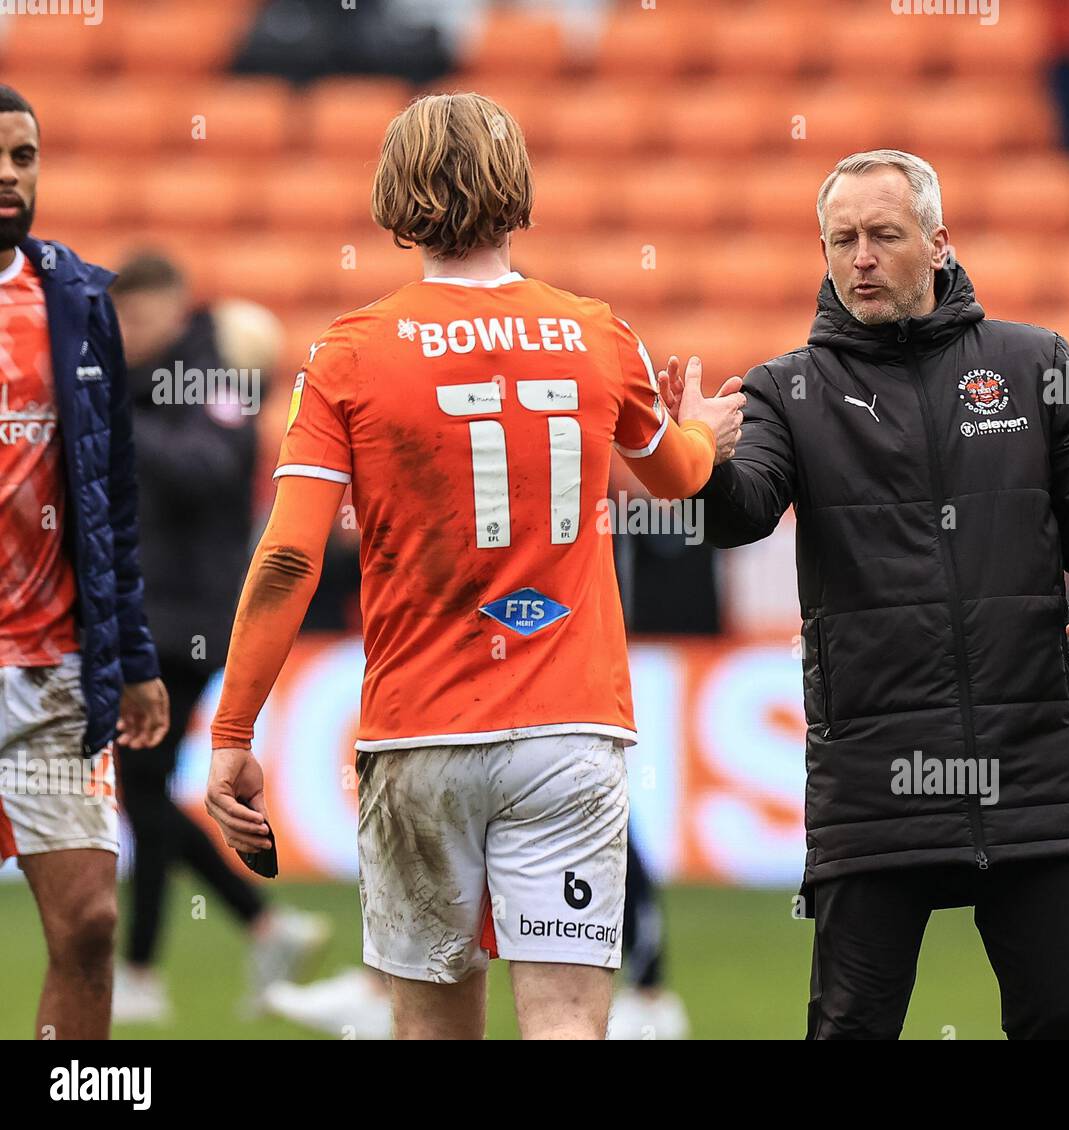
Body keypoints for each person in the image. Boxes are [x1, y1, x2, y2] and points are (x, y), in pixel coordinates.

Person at [203, 92, 744, 1040]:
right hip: (567, 727)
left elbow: (289, 557)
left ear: (392, 192)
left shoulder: (351, 353)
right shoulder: (592, 332)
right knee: (570, 1025)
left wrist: (233, 731)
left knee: (431, 1032)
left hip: (419, 732)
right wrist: (706, 426)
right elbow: (681, 478)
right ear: (518, 188)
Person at [662, 149, 1069, 1040]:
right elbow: (740, 515)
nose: (860, 256)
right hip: (874, 781)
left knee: (1055, 1022)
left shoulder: (1033, 360)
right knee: (851, 1028)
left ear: (937, 243)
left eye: (883, 235)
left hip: (1033, 769)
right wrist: (697, 458)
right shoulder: (790, 388)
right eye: (841, 239)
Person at [108, 255, 329, 1023]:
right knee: (143, 789)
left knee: (139, 786)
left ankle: (148, 969)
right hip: (148, 613)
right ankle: (260, 926)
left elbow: (211, 467)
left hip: (189, 621)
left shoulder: (217, 375)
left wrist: (117, 421)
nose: (125, 334)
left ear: (173, 310)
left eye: (135, 318)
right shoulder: (140, 379)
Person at [0, 85, 169, 1040]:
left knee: (92, 926)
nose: (9, 175)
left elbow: (112, 496)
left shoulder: (73, 301)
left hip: (55, 668)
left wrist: (137, 656)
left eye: (24, 156)